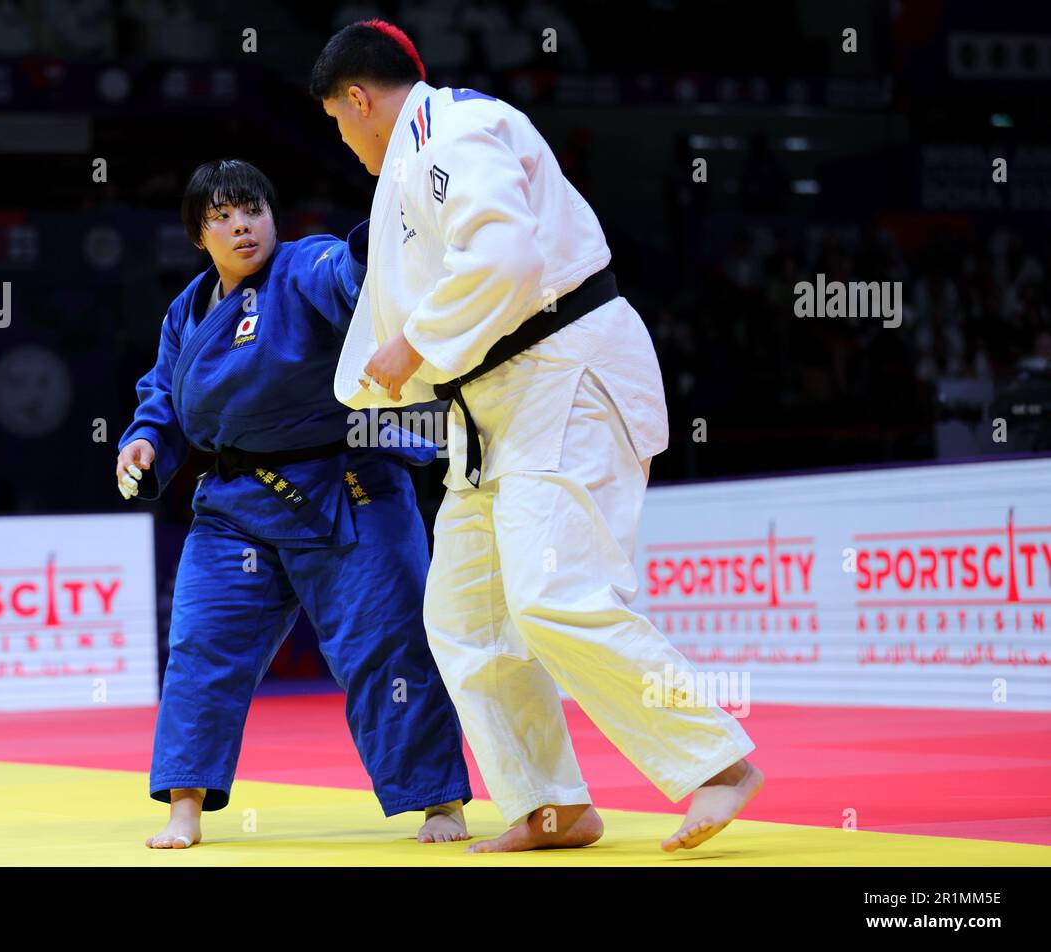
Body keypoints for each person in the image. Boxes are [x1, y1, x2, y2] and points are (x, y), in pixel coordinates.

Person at [311, 21, 764, 853]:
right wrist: (391, 375)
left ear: (358, 97)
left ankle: (714, 763)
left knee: (555, 593)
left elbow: (507, 258)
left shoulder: (457, 129)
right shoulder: (409, 165)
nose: (344, 142)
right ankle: (550, 803)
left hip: (565, 371)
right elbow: (410, 308)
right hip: (489, 412)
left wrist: (411, 347)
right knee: (462, 618)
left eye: (339, 124)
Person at [116, 159, 472, 849]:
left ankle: (437, 801)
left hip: (345, 489)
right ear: (199, 236)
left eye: (251, 209)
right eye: (221, 216)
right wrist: (143, 443)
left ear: (273, 217)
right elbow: (161, 394)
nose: (241, 225)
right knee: (201, 648)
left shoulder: (303, 268)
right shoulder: (188, 311)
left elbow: (348, 274)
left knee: (388, 646)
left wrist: (384, 237)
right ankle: (183, 806)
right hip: (234, 503)